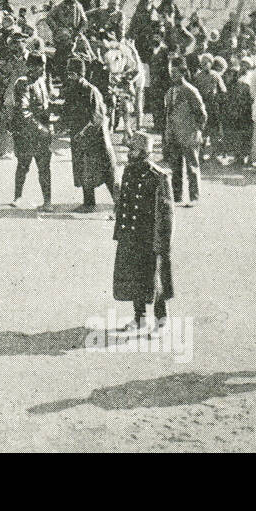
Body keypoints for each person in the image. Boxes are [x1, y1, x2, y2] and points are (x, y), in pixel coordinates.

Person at [112, 131, 174, 334]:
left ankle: (161, 321)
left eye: (134, 150)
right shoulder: (129, 171)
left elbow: (167, 215)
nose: (130, 154)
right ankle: (139, 319)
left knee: (155, 282)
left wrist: (163, 244)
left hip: (150, 237)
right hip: (131, 234)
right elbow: (124, 203)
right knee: (133, 278)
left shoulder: (159, 177)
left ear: (144, 153)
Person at [59, 58, 119, 212]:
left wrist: (84, 132)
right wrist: (61, 124)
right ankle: (88, 202)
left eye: (72, 74)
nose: (69, 77)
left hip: (95, 138)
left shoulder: (90, 90)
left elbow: (98, 116)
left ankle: (119, 203)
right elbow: (67, 112)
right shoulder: (72, 89)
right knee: (83, 170)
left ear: (79, 74)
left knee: (106, 171)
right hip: (79, 136)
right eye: (68, 73)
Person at [10, 53, 54, 210]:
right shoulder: (23, 84)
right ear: (30, 67)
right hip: (26, 133)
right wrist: (41, 129)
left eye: (43, 65)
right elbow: (24, 112)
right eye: (38, 66)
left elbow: (45, 106)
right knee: (23, 165)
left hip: (42, 134)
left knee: (44, 167)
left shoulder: (42, 81)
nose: (42, 69)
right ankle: (17, 196)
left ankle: (47, 202)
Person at [162, 57, 207, 206]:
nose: (172, 75)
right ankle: (177, 196)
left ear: (183, 73)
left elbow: (202, 114)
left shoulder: (190, 91)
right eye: (170, 72)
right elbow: (168, 114)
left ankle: (194, 197)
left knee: (192, 168)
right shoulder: (169, 92)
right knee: (175, 168)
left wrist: (198, 131)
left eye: (175, 72)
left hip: (189, 135)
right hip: (174, 135)